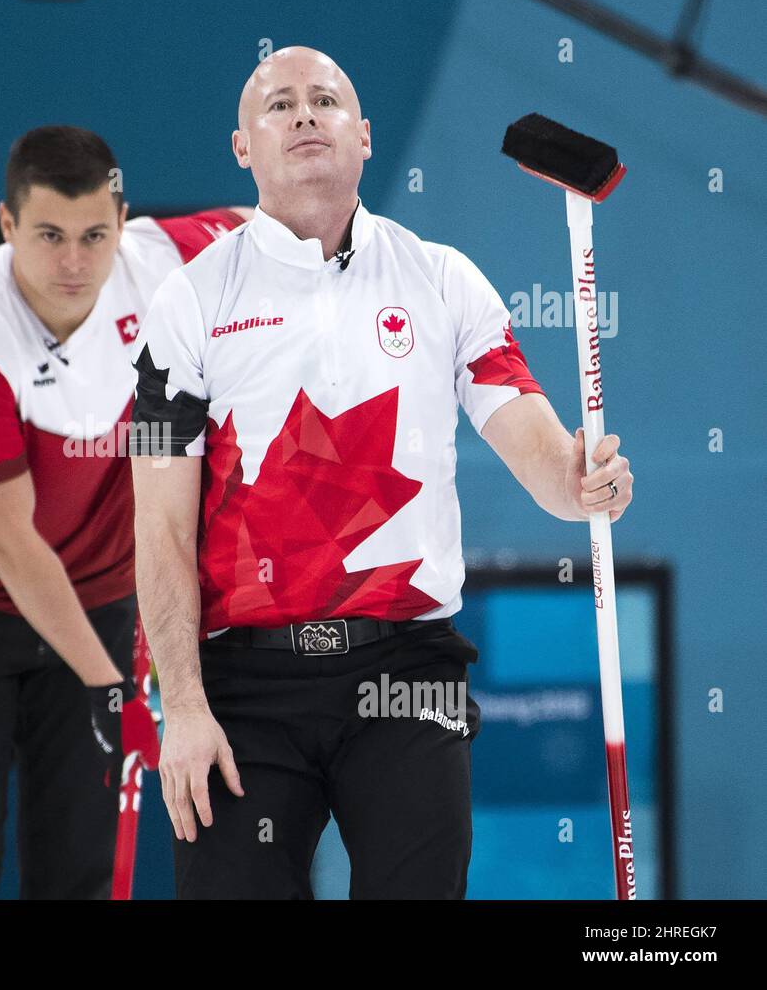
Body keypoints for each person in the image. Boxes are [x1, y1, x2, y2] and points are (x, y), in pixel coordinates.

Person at [130, 46, 635, 899]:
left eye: (324, 100)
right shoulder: (187, 302)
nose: (303, 115)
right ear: (242, 147)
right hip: (245, 685)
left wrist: (584, 477)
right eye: (278, 104)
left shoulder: (444, 282)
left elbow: (547, 463)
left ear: (364, 137)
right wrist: (182, 706)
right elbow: (161, 526)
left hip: (403, 669)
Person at [0, 125, 251, 898]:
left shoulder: (162, 263)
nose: (75, 262)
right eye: (49, 235)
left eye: (93, 235)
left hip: (101, 601)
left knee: (76, 868)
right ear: (8, 226)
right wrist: (111, 688)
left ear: (123, 222)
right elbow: (12, 547)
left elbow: (271, 226)